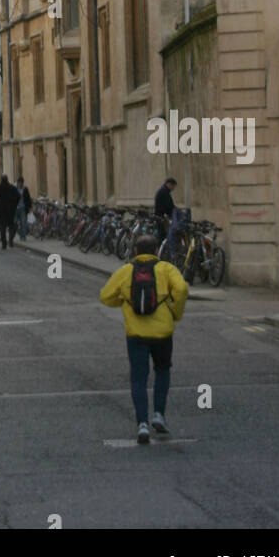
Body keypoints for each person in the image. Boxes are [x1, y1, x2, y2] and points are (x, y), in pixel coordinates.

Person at [99, 233, 189, 444]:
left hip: (136, 333)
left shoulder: (126, 271)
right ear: (157, 251)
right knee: (163, 370)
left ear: (136, 252)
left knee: (139, 378)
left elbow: (105, 296)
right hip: (163, 332)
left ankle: (142, 425)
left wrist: (124, 303)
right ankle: (159, 414)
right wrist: (176, 312)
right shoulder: (166, 269)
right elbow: (182, 289)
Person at [0, 174, 19, 249]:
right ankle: (10, 240)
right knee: (11, 226)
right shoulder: (12, 188)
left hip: (1, 210)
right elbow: (18, 196)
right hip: (11, 210)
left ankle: (4, 243)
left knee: (2, 227)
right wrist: (14, 204)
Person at [154, 176, 179, 253]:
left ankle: (160, 251)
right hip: (161, 216)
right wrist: (176, 212)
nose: (173, 188)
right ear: (169, 184)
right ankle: (159, 252)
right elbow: (169, 205)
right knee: (162, 235)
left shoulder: (163, 190)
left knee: (161, 234)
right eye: (173, 186)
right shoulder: (164, 192)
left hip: (159, 215)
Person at [14, 176, 33, 242]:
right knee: (14, 222)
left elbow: (28, 198)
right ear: (17, 183)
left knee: (23, 222)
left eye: (21, 183)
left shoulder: (25, 189)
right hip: (15, 208)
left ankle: (23, 236)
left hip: (23, 208)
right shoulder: (14, 188)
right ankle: (17, 233)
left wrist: (30, 207)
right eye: (19, 183)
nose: (20, 184)